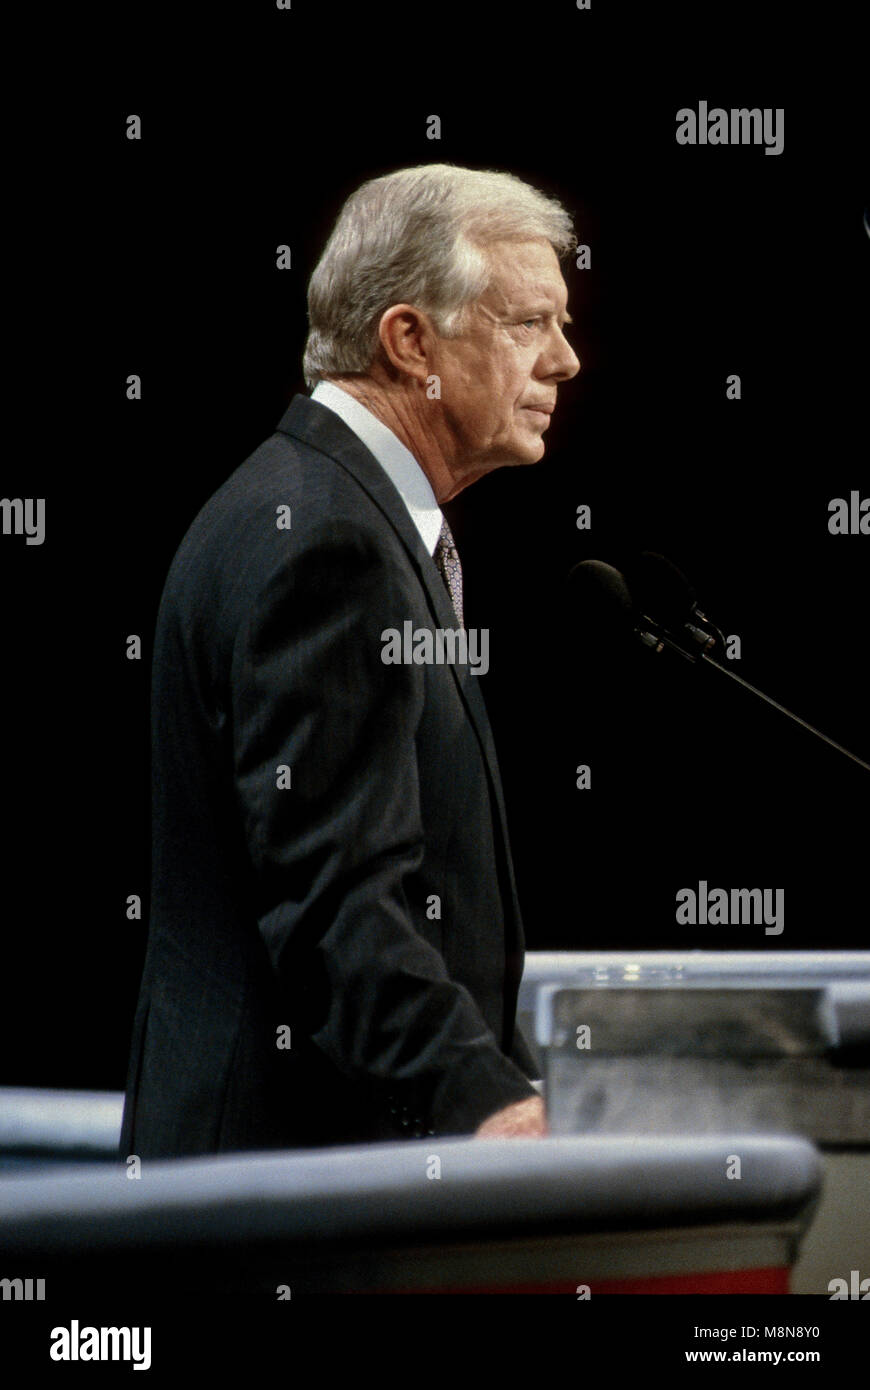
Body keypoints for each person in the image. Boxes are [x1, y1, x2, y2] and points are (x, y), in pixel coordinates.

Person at [119, 163, 580, 1157]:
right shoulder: (324, 545)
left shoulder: (333, 509)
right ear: (410, 340)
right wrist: (488, 1102)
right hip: (287, 1189)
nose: (566, 360)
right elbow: (335, 900)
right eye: (528, 322)